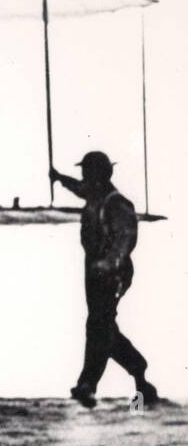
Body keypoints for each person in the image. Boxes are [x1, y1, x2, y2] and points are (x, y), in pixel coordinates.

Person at [50, 153, 158, 409]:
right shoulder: (94, 194)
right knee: (104, 325)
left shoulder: (116, 203)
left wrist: (109, 264)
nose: (84, 177)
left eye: (87, 172)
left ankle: (88, 384)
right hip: (95, 270)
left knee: (98, 325)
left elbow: (125, 240)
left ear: (99, 174)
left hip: (111, 273)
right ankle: (139, 372)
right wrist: (59, 179)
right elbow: (79, 189)